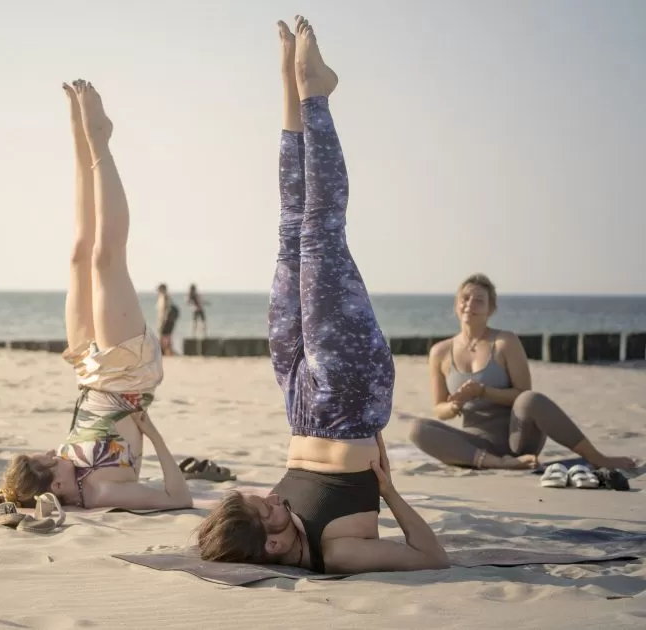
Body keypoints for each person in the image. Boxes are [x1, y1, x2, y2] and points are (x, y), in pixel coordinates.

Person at [195, 18, 448, 574]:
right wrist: (389, 494)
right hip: (351, 397)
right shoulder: (339, 551)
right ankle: (316, 93)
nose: (267, 498)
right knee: (320, 228)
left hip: (299, 397)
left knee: (292, 231)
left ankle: (292, 86)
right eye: (267, 512)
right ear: (278, 546)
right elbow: (433, 557)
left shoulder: (268, 526)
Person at [0, 80, 192, 511]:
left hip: (87, 373)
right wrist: (154, 436)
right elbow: (179, 499)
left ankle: (81, 141)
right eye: (51, 463)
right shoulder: (101, 491)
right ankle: (100, 142)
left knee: (79, 255)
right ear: (56, 489)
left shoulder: (56, 473)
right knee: (105, 258)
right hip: (127, 377)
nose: (54, 454)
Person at [409, 273, 636, 471]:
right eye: (465, 298)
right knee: (417, 428)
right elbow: (439, 409)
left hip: (518, 438)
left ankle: (596, 458)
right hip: (477, 444)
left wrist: (483, 391)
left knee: (531, 399)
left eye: (479, 300)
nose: (470, 305)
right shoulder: (439, 352)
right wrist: (456, 405)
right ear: (456, 304)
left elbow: (523, 395)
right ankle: (497, 464)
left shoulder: (505, 341)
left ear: (491, 309)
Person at [156, 283, 180, 355]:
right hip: (170, 321)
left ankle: (164, 352)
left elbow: (163, 311)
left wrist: (161, 322)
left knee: (163, 336)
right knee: (168, 337)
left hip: (165, 320)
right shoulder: (168, 297)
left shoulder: (163, 297)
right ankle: (169, 352)